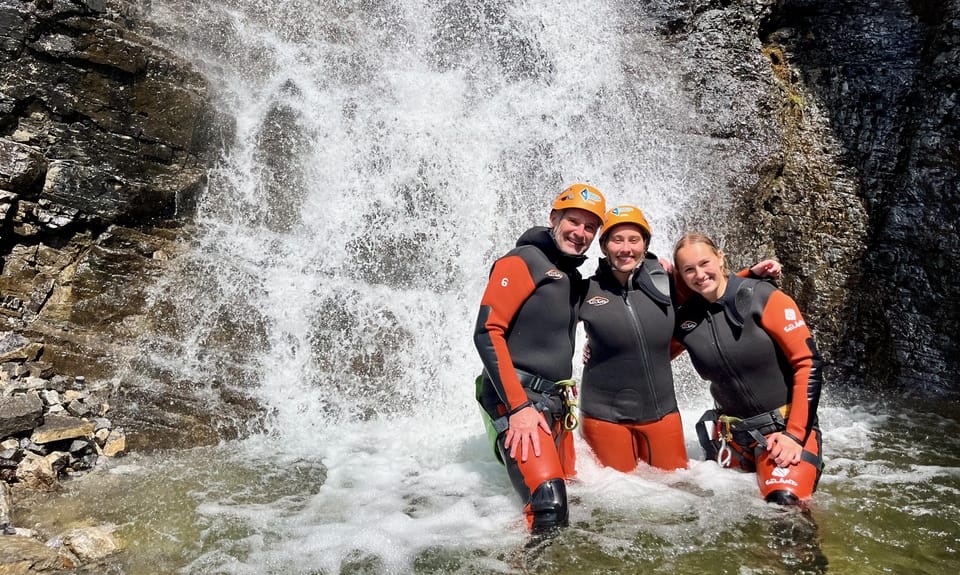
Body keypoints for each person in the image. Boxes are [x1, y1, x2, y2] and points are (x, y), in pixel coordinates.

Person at [578, 207, 782, 473]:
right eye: (617, 240)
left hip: (662, 414)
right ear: (604, 246)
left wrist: (749, 276)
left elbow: (711, 287)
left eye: (634, 239)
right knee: (616, 499)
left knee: (678, 492)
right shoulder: (585, 290)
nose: (625, 248)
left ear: (645, 244)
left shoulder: (666, 282)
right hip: (603, 416)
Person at [473, 183, 606, 533]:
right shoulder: (522, 260)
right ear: (553, 218)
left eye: (590, 227)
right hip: (520, 401)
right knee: (548, 508)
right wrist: (518, 409)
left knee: (573, 497)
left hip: (555, 403)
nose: (580, 232)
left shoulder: (571, 278)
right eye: (573, 221)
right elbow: (487, 332)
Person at [672, 232, 824, 505]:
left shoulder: (763, 296)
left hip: (782, 430)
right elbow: (646, 351)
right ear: (681, 277)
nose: (700, 274)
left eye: (705, 263)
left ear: (720, 257)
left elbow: (808, 363)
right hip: (730, 439)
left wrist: (794, 435)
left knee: (784, 507)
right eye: (689, 270)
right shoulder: (686, 320)